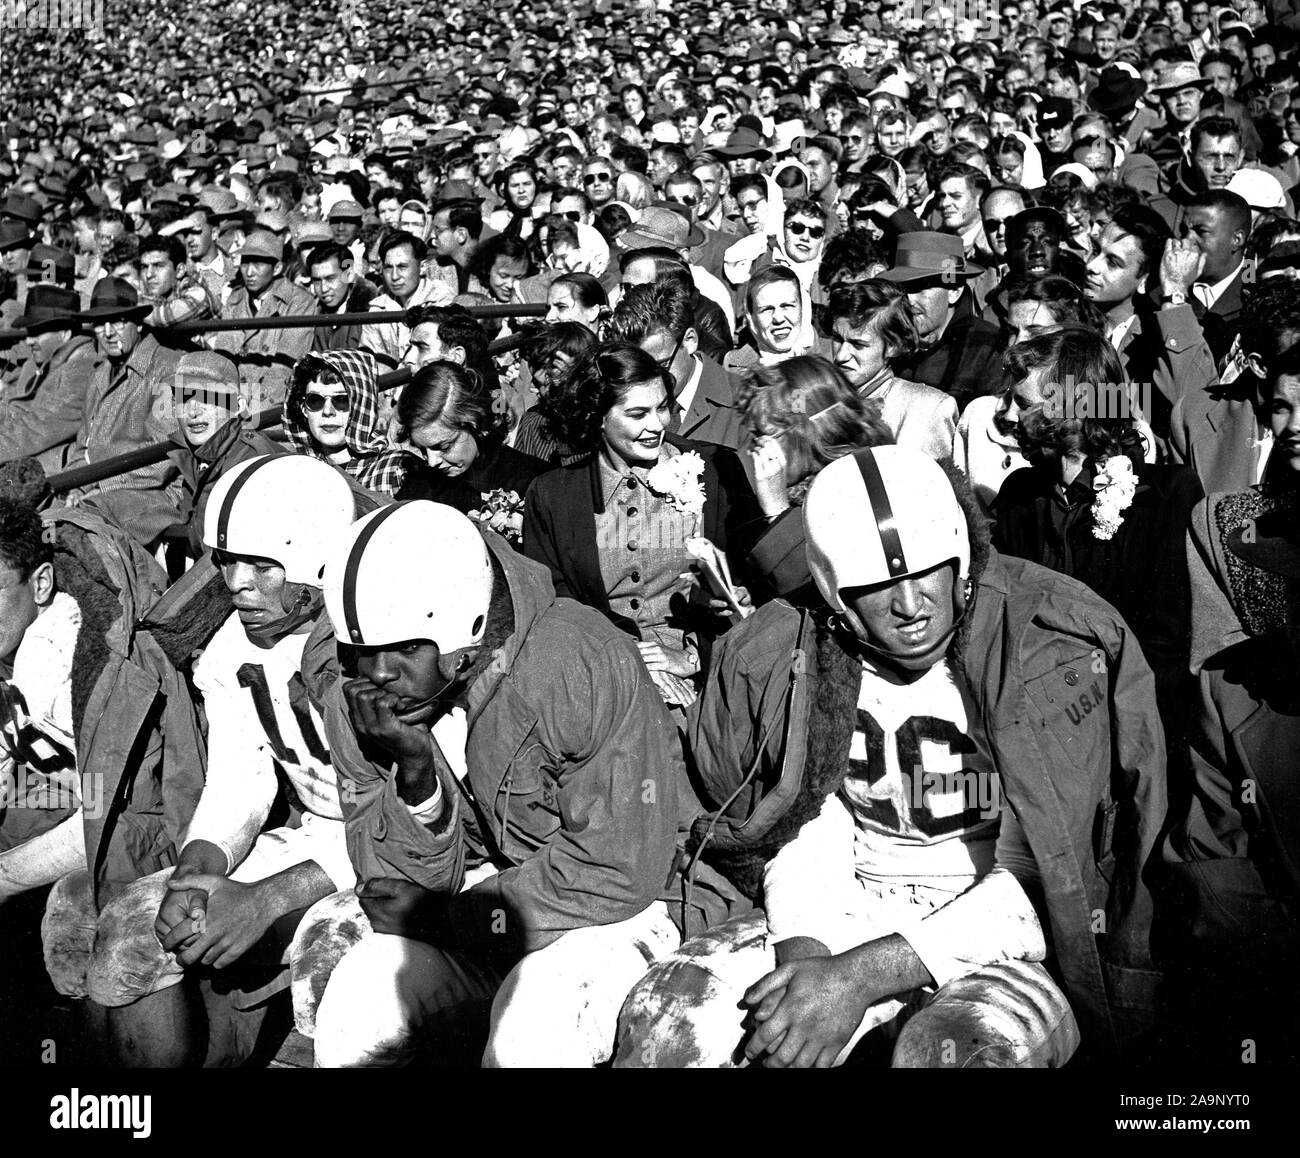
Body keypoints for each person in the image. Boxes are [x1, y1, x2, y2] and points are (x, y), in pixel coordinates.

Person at [615, 445, 1169, 1068]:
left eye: (927, 572)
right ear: (835, 596)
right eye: (878, 587)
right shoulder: (806, 647)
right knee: (670, 1019)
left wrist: (858, 977)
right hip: (852, 901)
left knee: (956, 1053)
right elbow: (808, 818)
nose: (909, 607)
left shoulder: (1044, 642)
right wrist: (806, 958)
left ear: (961, 559)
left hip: (996, 926)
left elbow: (1044, 872)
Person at [303, 499, 692, 1066]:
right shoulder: (358, 691)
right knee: (357, 1003)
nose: (378, 672)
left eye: (406, 647)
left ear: (470, 627)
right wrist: (415, 772)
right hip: (484, 906)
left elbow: (618, 870)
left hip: (608, 912)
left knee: (530, 1030)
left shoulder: (577, 658)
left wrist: (454, 921)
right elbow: (391, 891)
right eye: (364, 650)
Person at [85, 455, 368, 1067]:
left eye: (263, 565)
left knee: (336, 961)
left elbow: (411, 827)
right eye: (229, 560)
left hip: (408, 856)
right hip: (316, 838)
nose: (237, 582)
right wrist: (197, 868)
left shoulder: (381, 641)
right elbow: (243, 777)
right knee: (130, 931)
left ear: (319, 563)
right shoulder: (228, 645)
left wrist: (268, 897)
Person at [991, 328, 1202, 754]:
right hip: (1036, 728)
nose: (1008, 415)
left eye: (1024, 404)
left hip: (1130, 726)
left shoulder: (1164, 498)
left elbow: (1167, 640)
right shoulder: (1018, 496)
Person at [522, 342, 760, 708]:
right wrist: (627, 657)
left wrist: (693, 656)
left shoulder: (716, 469)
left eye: (662, 407)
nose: (657, 425)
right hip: (602, 672)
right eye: (637, 414)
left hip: (708, 670)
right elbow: (554, 602)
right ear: (598, 416)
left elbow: (750, 580)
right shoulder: (553, 495)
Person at [738, 355, 893, 602]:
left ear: (808, 432)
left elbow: (825, 596)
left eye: (765, 436)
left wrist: (778, 512)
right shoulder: (796, 487)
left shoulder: (858, 487)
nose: (754, 448)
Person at [394, 361, 548, 535]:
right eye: (422, 449)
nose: (432, 462)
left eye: (444, 447)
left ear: (477, 424)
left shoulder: (533, 481)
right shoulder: (420, 483)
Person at [162, 350, 283, 567]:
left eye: (206, 398)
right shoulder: (195, 456)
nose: (193, 411)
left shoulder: (250, 462)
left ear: (236, 406)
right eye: (184, 398)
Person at [826, 280, 958, 462]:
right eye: (837, 339)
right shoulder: (814, 393)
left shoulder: (927, 409)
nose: (841, 356)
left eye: (858, 344)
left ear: (894, 347)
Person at [604, 278, 743, 449]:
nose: (650, 380)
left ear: (690, 341)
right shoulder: (615, 403)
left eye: (661, 365)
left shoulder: (744, 402)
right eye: (638, 369)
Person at [876, 232, 1004, 411]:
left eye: (922, 287)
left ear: (954, 291)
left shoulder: (988, 348)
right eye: (903, 288)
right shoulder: (887, 341)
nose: (909, 299)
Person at [0, 285, 102, 474]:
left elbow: (40, 428)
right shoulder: (41, 361)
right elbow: (16, 409)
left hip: (49, 470)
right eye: (29, 332)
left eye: (37, 332)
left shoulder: (82, 367)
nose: (29, 341)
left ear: (65, 333)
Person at [283, 349, 410, 498]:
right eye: (315, 400)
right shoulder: (295, 473)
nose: (328, 411)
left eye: (342, 400)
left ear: (361, 406)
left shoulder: (396, 469)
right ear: (304, 409)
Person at [361, 231, 456, 371]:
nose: (394, 276)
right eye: (388, 268)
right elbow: (373, 360)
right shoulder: (377, 307)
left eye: (402, 267)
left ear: (422, 267)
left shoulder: (442, 298)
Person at [512, 323, 599, 465]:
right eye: (534, 381)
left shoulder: (605, 423)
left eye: (544, 384)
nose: (531, 389)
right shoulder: (532, 422)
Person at [307, 241, 377, 352]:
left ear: (348, 275)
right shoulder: (313, 310)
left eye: (330, 279)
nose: (323, 289)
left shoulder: (372, 309)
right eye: (316, 281)